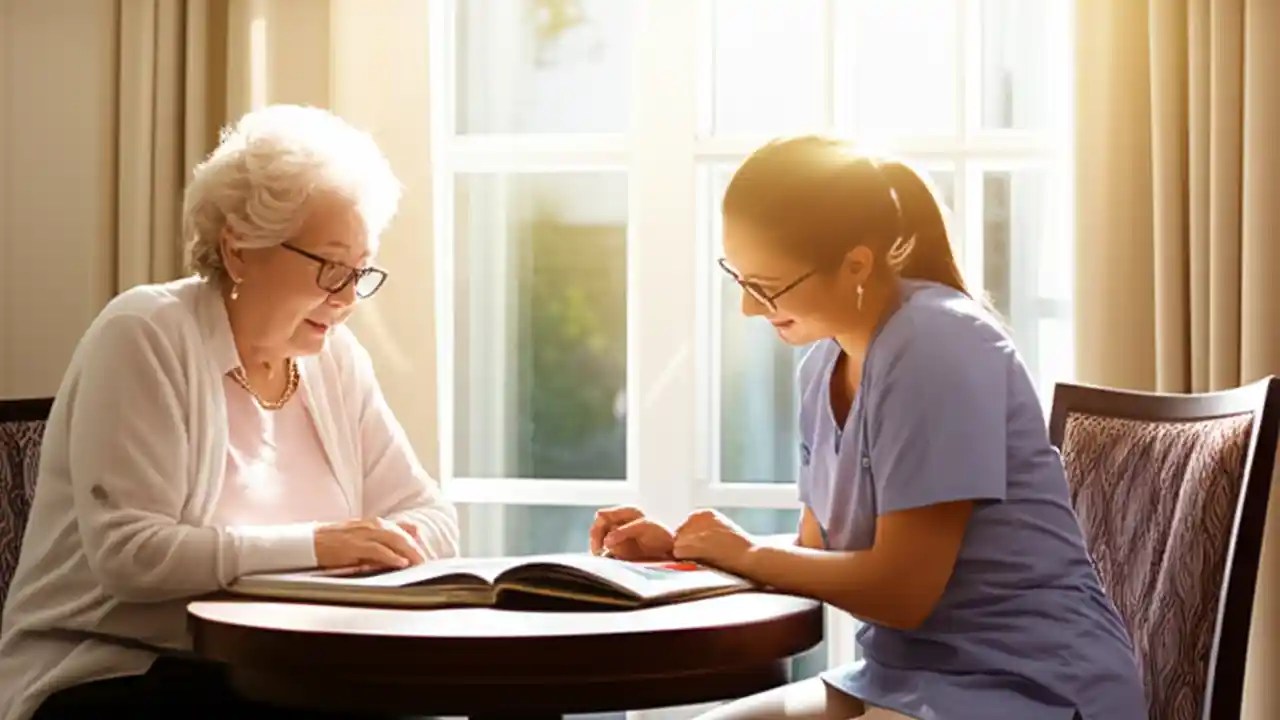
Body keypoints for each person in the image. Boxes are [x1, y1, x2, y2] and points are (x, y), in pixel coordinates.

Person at [589, 136, 1146, 720]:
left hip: (1028, 686)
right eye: (740, 279)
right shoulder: (821, 367)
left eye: (767, 286)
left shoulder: (938, 345)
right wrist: (684, 552)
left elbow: (902, 592)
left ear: (857, 263)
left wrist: (746, 552)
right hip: (902, 679)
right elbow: (817, 555)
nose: (749, 310)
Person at [0, 105, 459, 719]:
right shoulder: (145, 333)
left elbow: (430, 515)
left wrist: (387, 546)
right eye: (329, 266)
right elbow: (131, 556)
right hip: (108, 669)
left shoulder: (335, 360)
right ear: (240, 250)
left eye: (358, 271)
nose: (347, 298)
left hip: (280, 668)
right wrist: (322, 547)